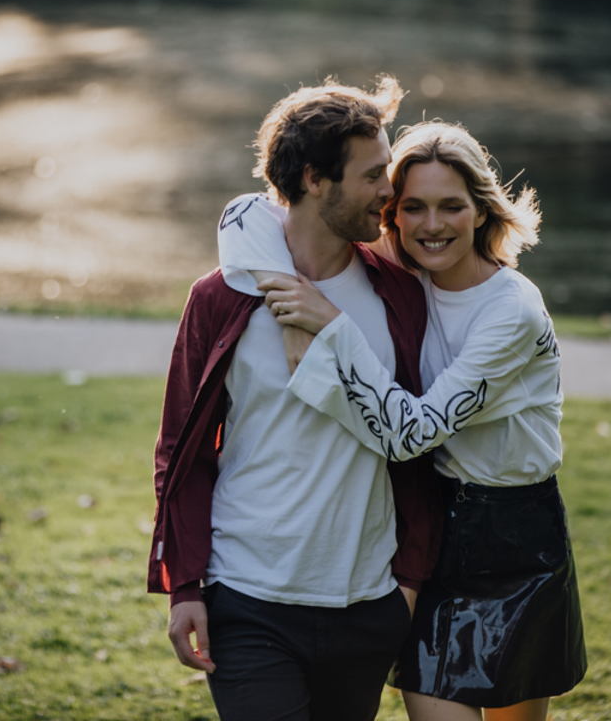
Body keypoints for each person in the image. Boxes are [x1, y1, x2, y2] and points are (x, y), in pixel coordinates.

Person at [216, 120, 586, 721]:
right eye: (412, 207)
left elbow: (410, 435)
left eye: (451, 207)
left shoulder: (511, 310)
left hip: (519, 539)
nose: (432, 225)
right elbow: (243, 212)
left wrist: (330, 326)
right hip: (438, 533)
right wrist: (283, 292)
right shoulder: (405, 276)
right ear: (392, 212)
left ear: (482, 211)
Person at [148, 77, 445, 721]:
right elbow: (181, 449)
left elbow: (419, 450)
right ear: (315, 179)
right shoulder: (222, 296)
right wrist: (186, 586)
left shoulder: (401, 295)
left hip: (366, 603)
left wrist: (409, 584)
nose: (388, 192)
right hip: (247, 598)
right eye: (372, 176)